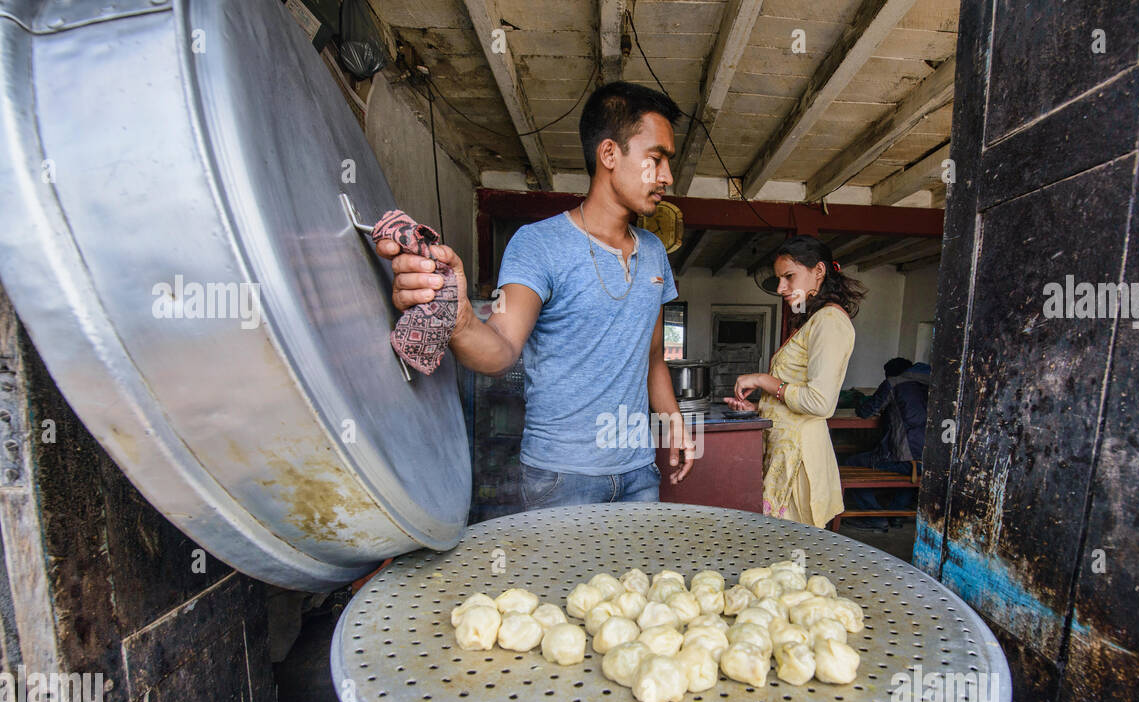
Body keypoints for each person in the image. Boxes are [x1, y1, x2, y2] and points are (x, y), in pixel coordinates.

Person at [377, 81, 694, 509]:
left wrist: (673, 421)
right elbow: (502, 348)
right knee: (565, 581)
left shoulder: (655, 253)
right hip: (562, 478)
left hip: (639, 473)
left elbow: (653, 357)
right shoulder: (538, 244)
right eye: (655, 159)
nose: (667, 177)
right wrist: (460, 318)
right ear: (609, 155)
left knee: (642, 579)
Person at [723, 236, 864, 527]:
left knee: (792, 558)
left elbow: (820, 402)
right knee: (781, 555)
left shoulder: (830, 322)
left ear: (819, 271)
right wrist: (758, 412)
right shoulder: (813, 320)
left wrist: (763, 380)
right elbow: (793, 394)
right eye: (779, 279)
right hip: (786, 453)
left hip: (800, 460)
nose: (780, 288)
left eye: (789, 277)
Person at [843, 357, 932, 528]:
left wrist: (860, 404)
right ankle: (896, 514)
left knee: (850, 463)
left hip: (906, 460)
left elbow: (866, 411)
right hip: (930, 461)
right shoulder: (930, 384)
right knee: (910, 466)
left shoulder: (893, 384)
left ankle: (874, 517)